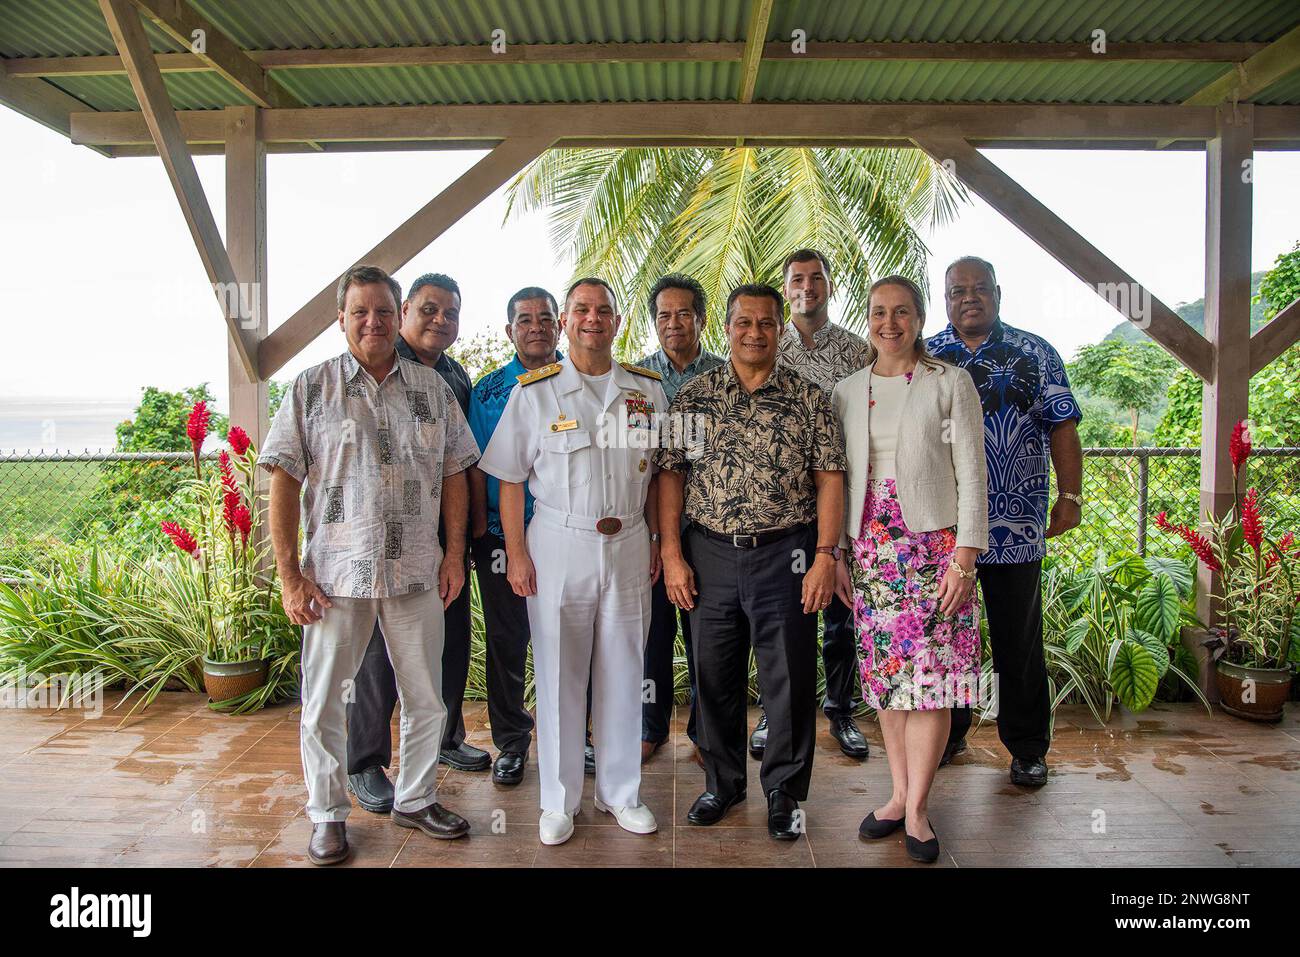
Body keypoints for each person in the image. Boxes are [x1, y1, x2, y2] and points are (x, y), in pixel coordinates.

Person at [261, 265, 479, 865]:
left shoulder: (431, 390)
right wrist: (289, 575)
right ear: (342, 320)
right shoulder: (311, 388)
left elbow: (457, 472)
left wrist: (454, 554)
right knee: (326, 700)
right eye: (361, 312)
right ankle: (328, 816)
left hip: (416, 570)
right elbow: (282, 479)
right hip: (335, 576)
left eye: (383, 311)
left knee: (426, 698)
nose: (374, 322)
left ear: (397, 313)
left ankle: (415, 798)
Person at [479, 277, 667, 846]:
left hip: (631, 541)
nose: (593, 319)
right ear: (565, 321)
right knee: (559, 672)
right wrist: (515, 553)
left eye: (603, 310)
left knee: (624, 669)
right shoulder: (535, 392)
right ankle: (558, 802)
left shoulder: (647, 391)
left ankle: (620, 793)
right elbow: (510, 479)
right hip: (559, 542)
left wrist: (659, 540)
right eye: (581, 310)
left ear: (617, 320)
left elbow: (660, 474)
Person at [658, 283, 846, 842]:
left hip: (786, 555)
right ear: (727, 328)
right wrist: (671, 553)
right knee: (713, 674)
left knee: (788, 678)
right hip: (709, 553)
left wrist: (825, 557)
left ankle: (784, 792)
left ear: (781, 328)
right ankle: (723, 781)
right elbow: (671, 475)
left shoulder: (809, 397)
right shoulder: (694, 397)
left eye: (766, 323)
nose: (755, 333)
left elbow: (830, 479)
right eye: (744, 323)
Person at [831, 276, 987, 864]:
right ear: (867, 318)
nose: (889, 323)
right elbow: (842, 480)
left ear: (920, 319)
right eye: (878, 312)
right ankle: (895, 794)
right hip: (872, 549)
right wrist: (839, 553)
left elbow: (972, 471)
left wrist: (965, 557)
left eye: (901, 312)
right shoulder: (848, 389)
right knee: (891, 681)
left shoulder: (951, 383)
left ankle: (919, 809)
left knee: (934, 682)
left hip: (935, 548)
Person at [927, 256, 1084, 788]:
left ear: (999, 293)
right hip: (947, 533)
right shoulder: (928, 357)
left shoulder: (1035, 352)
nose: (968, 298)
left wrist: (1071, 495)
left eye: (978, 289)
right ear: (944, 299)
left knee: (1017, 639)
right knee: (947, 637)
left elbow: (1063, 426)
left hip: (1016, 526)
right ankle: (947, 737)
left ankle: (1027, 746)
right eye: (956, 291)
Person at [344, 273, 484, 821]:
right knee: (376, 659)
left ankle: (445, 736)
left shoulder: (453, 376)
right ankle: (366, 762)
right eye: (429, 310)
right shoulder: (374, 365)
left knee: (448, 643)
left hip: (441, 540)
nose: (440, 321)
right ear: (405, 312)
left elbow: (461, 460)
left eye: (450, 312)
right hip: (376, 547)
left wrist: (465, 538)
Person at [759, 248, 870, 761]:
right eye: (797, 279)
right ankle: (771, 713)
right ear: (786, 288)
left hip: (843, 500)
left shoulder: (857, 351)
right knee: (779, 616)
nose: (808, 286)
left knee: (841, 615)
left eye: (817, 278)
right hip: (781, 508)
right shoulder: (765, 346)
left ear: (830, 285)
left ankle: (841, 710)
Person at [466, 286, 562, 785]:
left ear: (560, 324)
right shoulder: (486, 393)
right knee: (508, 640)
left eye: (545, 318)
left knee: (571, 640)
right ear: (510, 331)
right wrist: (485, 534)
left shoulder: (580, 380)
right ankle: (511, 741)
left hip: (569, 537)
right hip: (505, 539)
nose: (536, 327)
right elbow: (481, 465)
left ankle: (577, 739)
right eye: (524, 320)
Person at [634, 273, 724, 763]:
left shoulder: (722, 376)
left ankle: (706, 731)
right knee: (653, 631)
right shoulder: (636, 380)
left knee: (707, 633)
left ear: (701, 319)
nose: (673, 323)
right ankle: (651, 726)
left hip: (709, 525)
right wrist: (653, 536)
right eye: (664, 315)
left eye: (683, 313)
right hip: (649, 526)